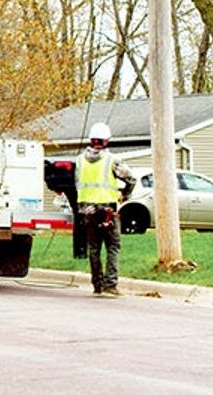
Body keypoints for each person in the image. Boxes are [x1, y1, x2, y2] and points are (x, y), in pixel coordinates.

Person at [74, 122, 135, 296]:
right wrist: (125, 195)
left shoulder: (79, 160)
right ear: (107, 141)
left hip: (87, 210)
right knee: (113, 247)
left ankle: (97, 285)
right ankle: (111, 285)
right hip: (107, 210)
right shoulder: (112, 160)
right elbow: (131, 179)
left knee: (94, 248)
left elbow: (77, 183)